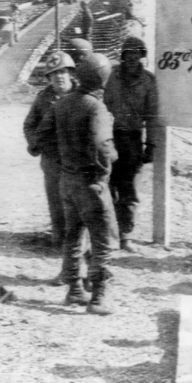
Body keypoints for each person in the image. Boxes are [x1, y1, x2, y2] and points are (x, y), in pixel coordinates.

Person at [53, 53, 118, 315]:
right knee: (103, 240)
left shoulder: (62, 103)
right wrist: (105, 168)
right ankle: (98, 298)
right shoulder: (96, 107)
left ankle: (74, 290)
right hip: (90, 182)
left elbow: (43, 137)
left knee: (73, 236)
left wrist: (65, 161)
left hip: (67, 179)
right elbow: (103, 145)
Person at [103, 36, 163, 252]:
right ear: (123, 56)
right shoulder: (112, 77)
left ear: (142, 57)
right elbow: (105, 104)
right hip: (111, 137)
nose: (132, 59)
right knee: (107, 185)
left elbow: (153, 115)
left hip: (133, 139)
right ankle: (108, 234)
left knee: (129, 190)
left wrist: (152, 145)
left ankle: (125, 235)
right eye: (128, 54)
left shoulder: (148, 81)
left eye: (136, 55)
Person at [23, 51, 76, 249]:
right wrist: (35, 144)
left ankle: (76, 241)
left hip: (77, 159)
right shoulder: (43, 99)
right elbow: (29, 125)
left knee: (78, 200)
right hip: (52, 159)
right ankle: (59, 236)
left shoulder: (83, 95)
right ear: (49, 78)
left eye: (62, 72)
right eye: (54, 73)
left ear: (70, 73)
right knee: (55, 198)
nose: (59, 77)